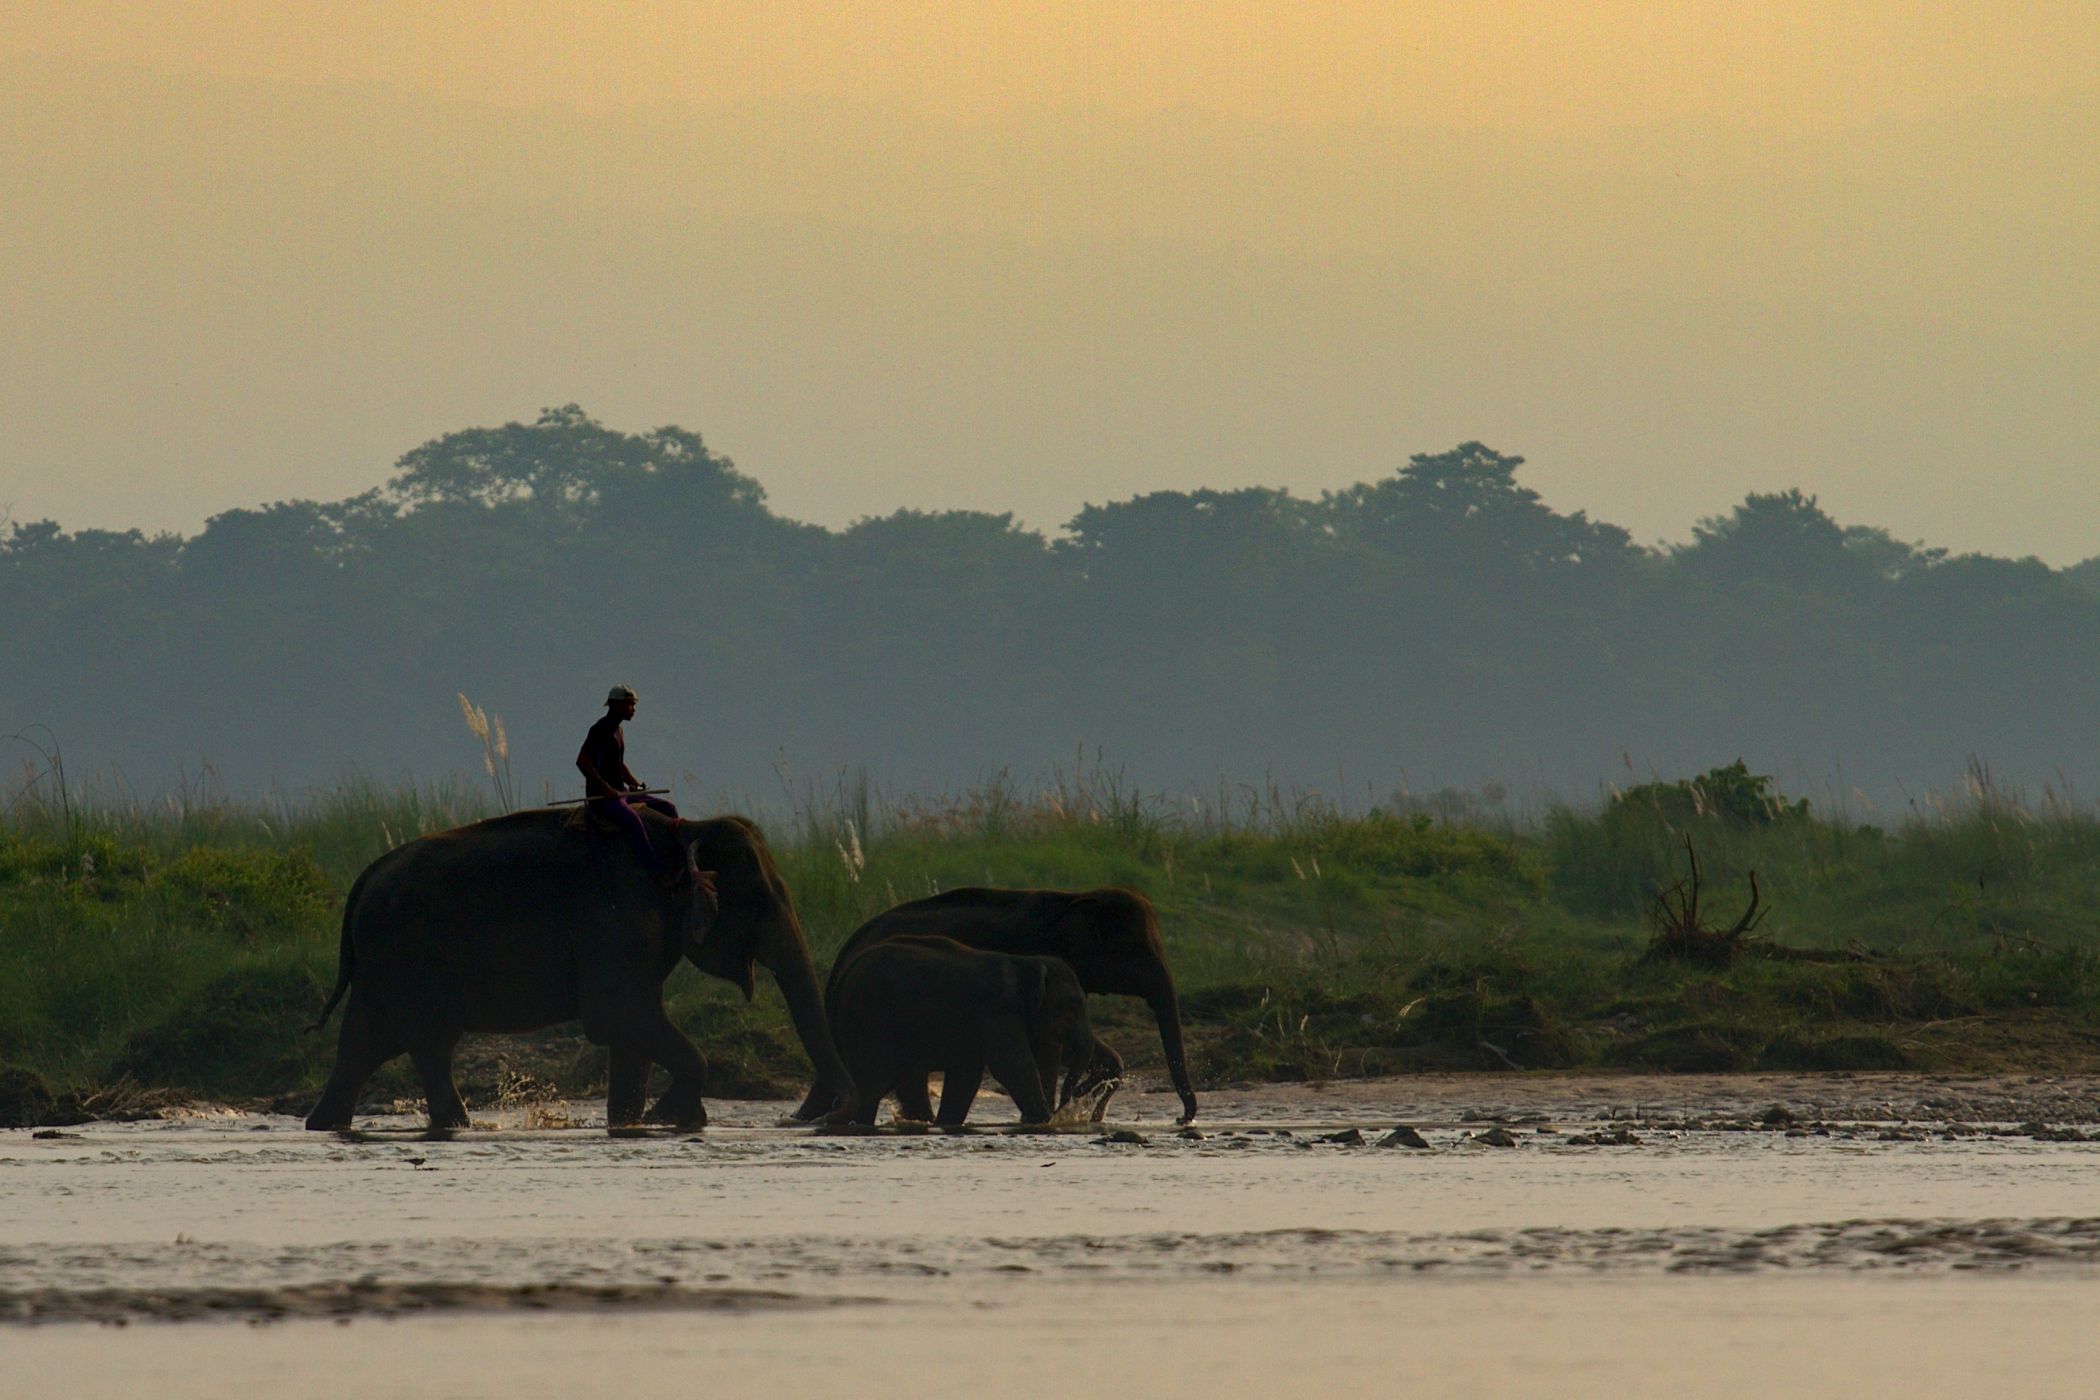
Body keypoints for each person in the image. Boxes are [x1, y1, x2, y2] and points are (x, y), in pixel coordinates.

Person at [577, 685, 684, 884]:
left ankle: (677, 859)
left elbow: (618, 764)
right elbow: (582, 761)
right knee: (633, 820)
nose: (633, 709)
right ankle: (656, 871)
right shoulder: (599, 730)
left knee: (668, 808)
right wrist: (604, 788)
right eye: (629, 704)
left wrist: (634, 784)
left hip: (621, 792)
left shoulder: (619, 730)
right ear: (616, 705)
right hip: (603, 798)